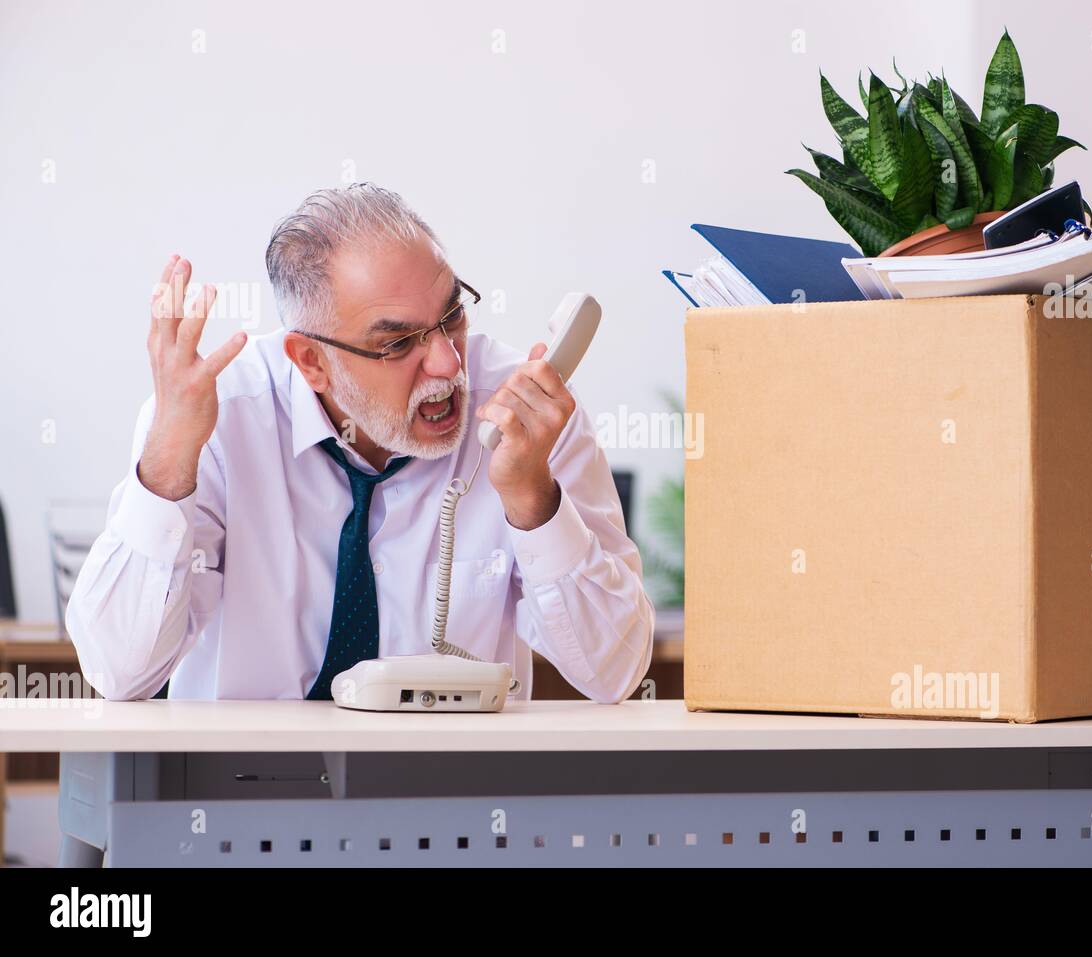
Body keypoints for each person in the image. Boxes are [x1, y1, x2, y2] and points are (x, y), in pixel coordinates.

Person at [67, 183, 654, 702]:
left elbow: (615, 673)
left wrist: (533, 500)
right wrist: (169, 461)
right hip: (243, 802)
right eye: (398, 345)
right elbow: (119, 673)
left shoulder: (528, 415)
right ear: (312, 362)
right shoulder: (215, 417)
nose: (447, 363)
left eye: (451, 315)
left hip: (456, 807)